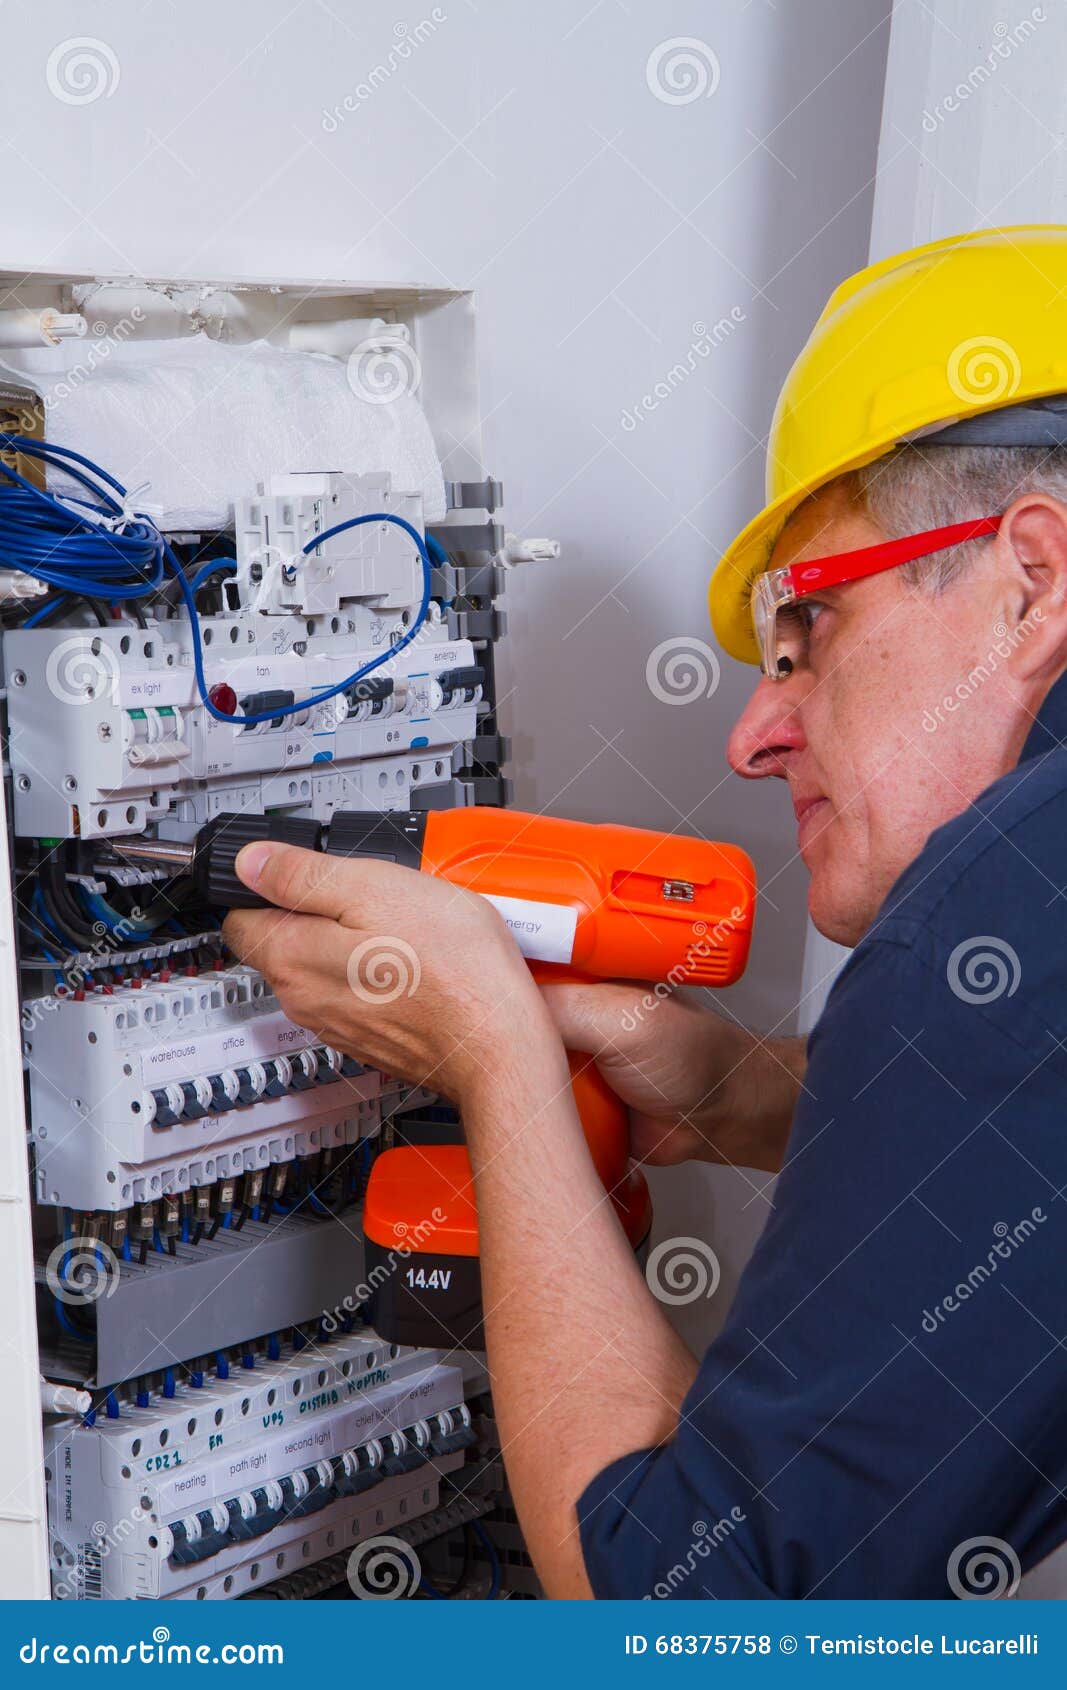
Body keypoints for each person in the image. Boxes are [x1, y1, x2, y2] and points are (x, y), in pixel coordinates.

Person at [223, 226, 1067, 1599]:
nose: (751, 736)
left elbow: (689, 1613)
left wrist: (498, 1059)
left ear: (1031, 578)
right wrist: (751, 1090)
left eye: (808, 636)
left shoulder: (1008, 890)